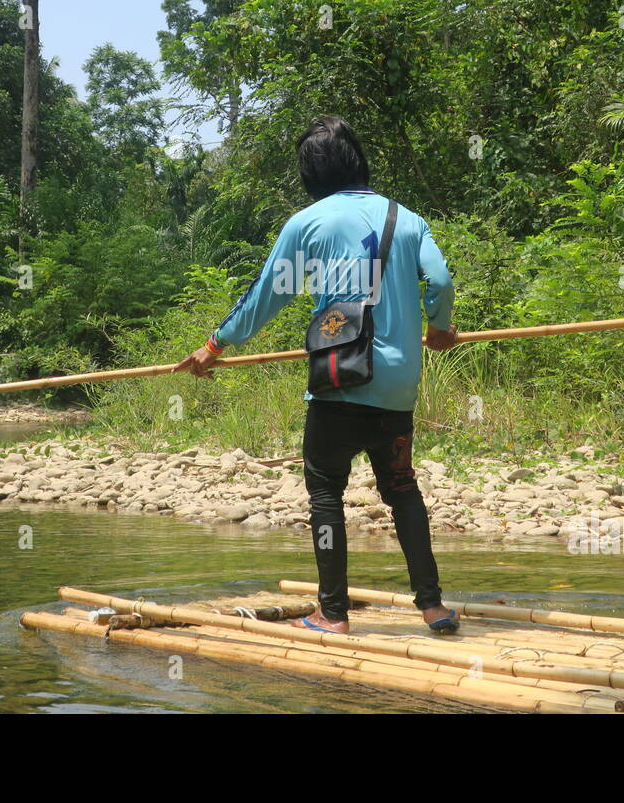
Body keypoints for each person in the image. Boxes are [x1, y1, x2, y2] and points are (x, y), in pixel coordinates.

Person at [175, 116, 460, 634]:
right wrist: (440, 327)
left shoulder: (306, 224)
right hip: (397, 386)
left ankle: (332, 613)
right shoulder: (408, 217)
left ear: (311, 173)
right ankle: (433, 607)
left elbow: (266, 296)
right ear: (358, 160)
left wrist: (215, 344)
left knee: (326, 492)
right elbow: (439, 279)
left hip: (339, 378)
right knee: (401, 487)